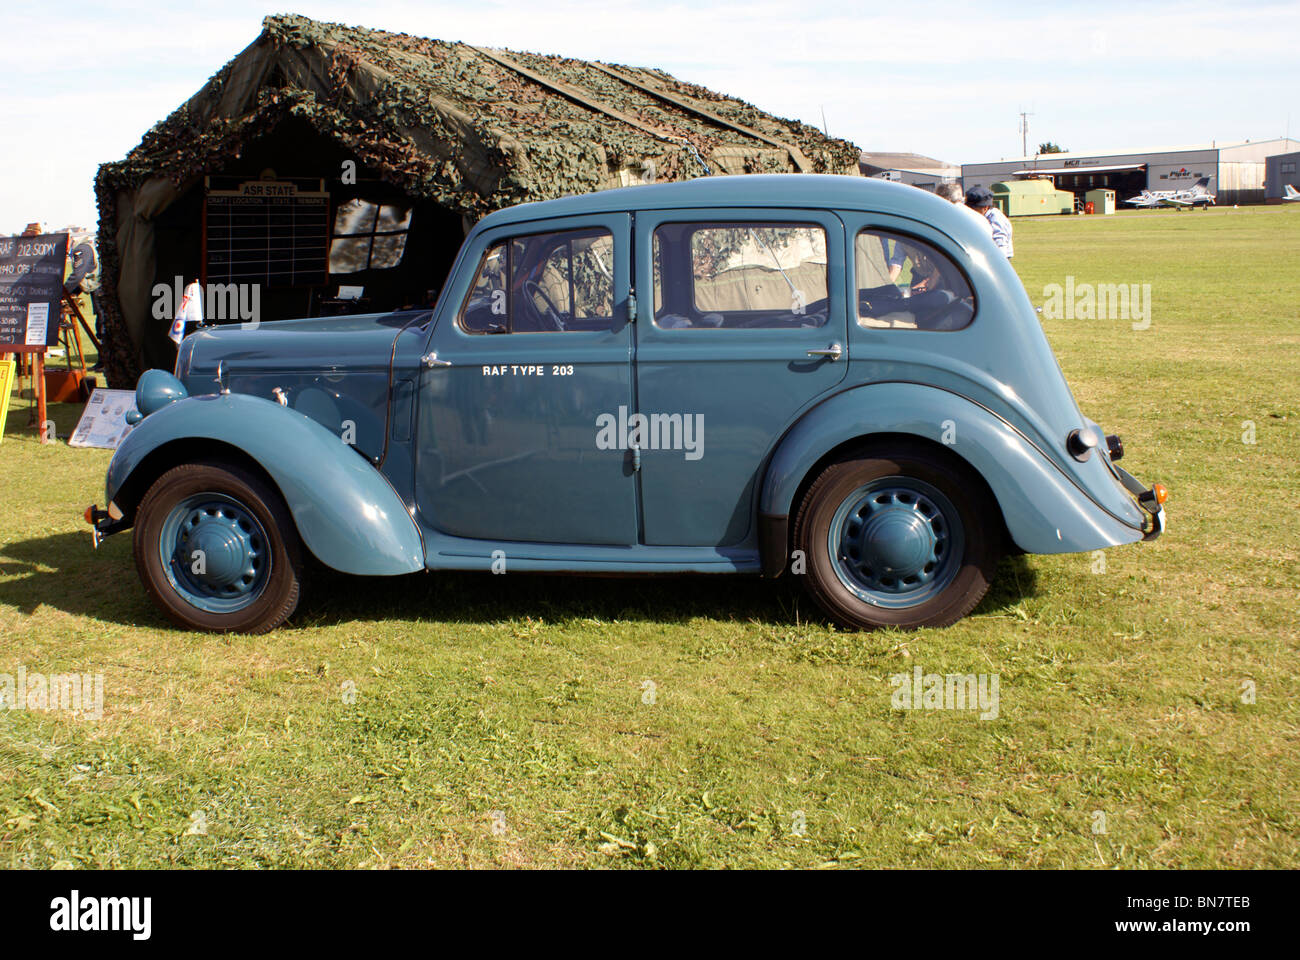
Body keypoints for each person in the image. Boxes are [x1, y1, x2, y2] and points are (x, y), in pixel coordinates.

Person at [966, 187, 1013, 258]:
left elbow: (1000, 245)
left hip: (999, 258)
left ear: (985, 208)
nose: (971, 210)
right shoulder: (978, 217)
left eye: (974, 208)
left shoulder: (996, 218)